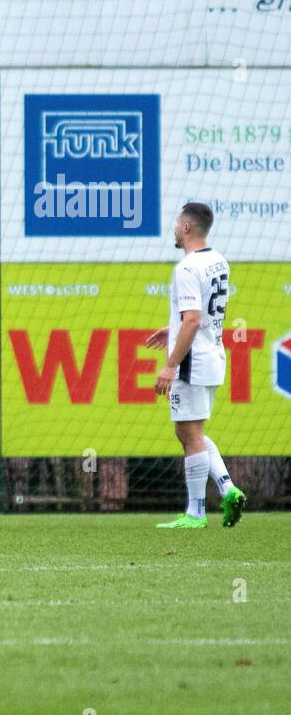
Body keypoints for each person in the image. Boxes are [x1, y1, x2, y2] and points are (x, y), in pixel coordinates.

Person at [148, 202, 245, 529]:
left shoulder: (187, 268)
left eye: (177, 222)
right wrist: (171, 330)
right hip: (213, 356)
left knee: (189, 435)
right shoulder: (219, 261)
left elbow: (192, 320)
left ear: (187, 227)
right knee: (192, 432)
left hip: (191, 362)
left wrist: (171, 365)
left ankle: (196, 513)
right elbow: (198, 317)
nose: (174, 228)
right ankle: (228, 489)